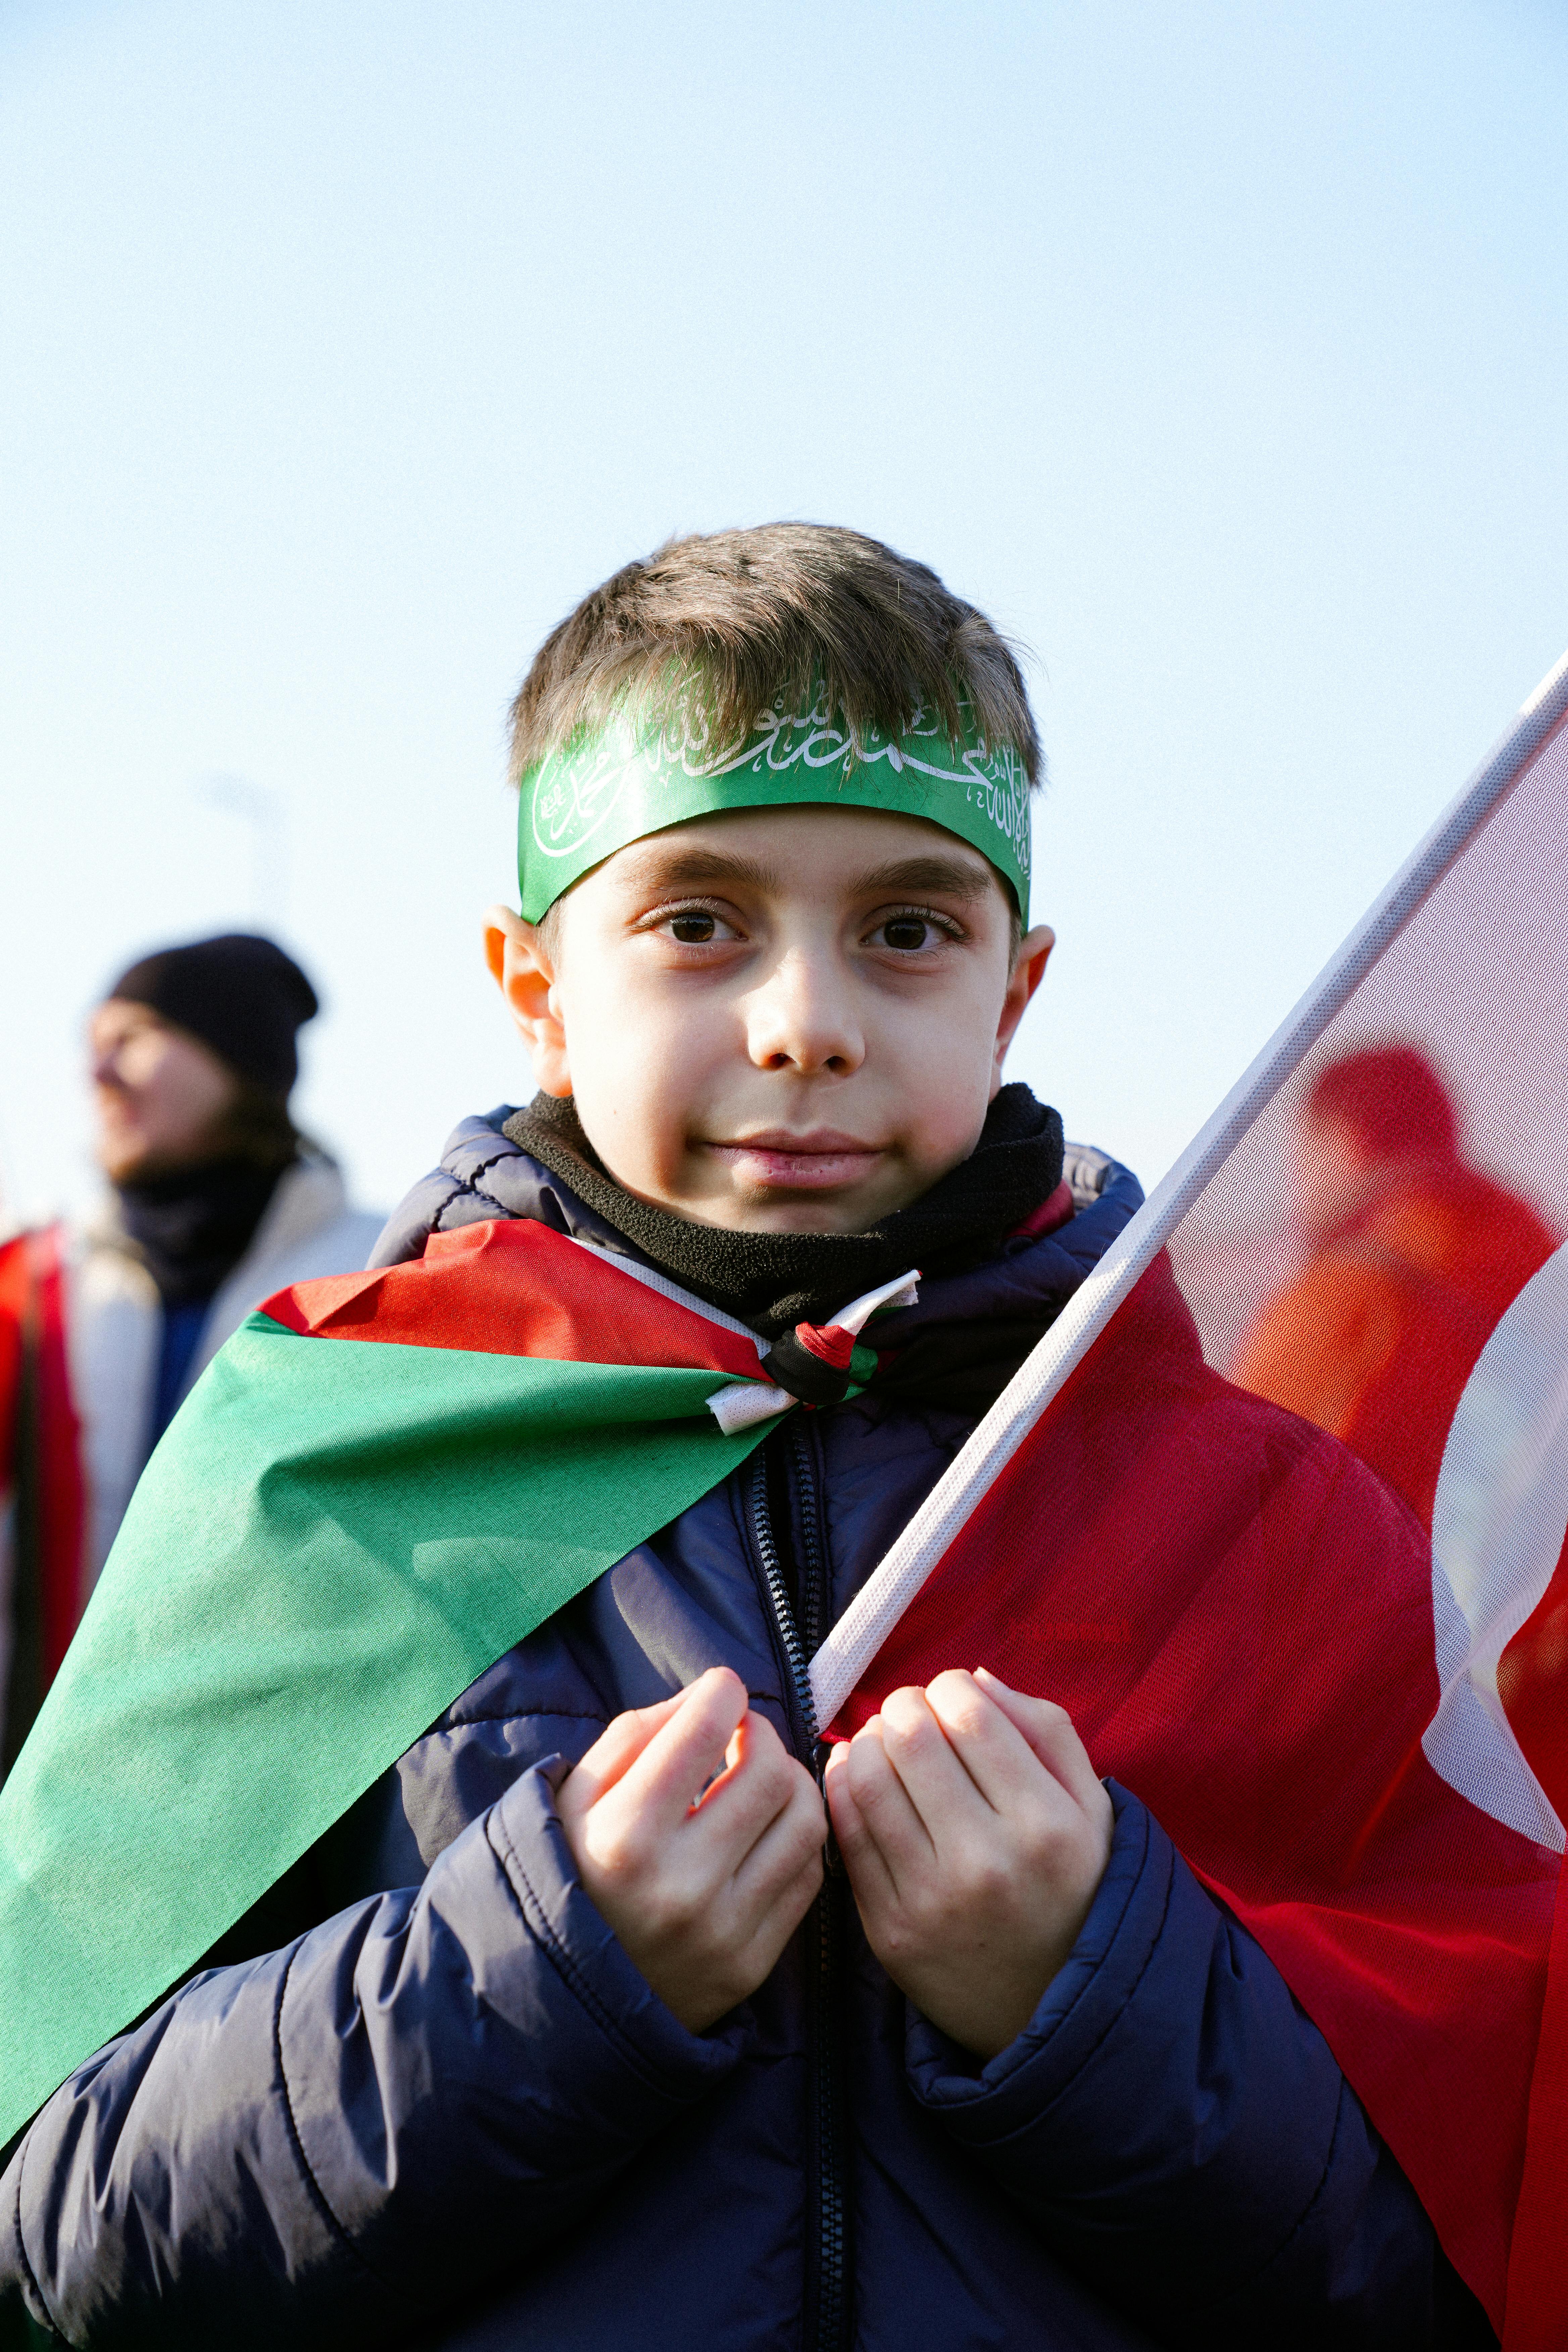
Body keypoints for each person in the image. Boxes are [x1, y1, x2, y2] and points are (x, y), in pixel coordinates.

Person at [0, 531, 1491, 2347]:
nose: (806, 1027)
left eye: (908, 931)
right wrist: (543, 1971)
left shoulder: (1262, 1519)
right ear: (538, 988)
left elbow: (1467, 2241)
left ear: (1015, 987)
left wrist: (1095, 1995)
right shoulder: (324, 1463)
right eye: (697, 922)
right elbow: (59, 2212)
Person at [0, 934, 383, 1768]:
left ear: (236, 1061)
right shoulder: (31, 1281)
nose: (98, 1073)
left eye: (133, 1038)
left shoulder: (379, 1272)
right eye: (92, 1045)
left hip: (280, 1777)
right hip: (50, 1780)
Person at [1231, 1043, 1556, 1530]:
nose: (1299, 1188)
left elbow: (1242, 1480)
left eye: (1304, 1155)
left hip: (1402, 1574)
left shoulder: (1350, 1289)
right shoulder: (1535, 1254)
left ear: (1344, 1138)